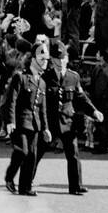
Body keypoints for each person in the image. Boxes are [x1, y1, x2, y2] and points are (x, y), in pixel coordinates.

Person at [44, 40, 102, 196]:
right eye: (57, 59)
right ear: (52, 59)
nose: (60, 61)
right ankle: (25, 183)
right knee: (36, 152)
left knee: (73, 154)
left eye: (63, 58)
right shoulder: (45, 76)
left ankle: (76, 186)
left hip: (68, 121)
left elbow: (81, 98)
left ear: (67, 58)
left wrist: (94, 111)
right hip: (49, 121)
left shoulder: (73, 77)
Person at [1, 39, 51, 196]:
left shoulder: (42, 82)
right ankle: (9, 177)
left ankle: (25, 187)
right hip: (21, 122)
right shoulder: (20, 77)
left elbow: (42, 108)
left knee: (31, 156)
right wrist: (10, 121)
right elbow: (11, 101)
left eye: (46, 60)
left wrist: (45, 128)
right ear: (33, 59)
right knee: (22, 151)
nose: (45, 62)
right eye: (42, 59)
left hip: (34, 124)